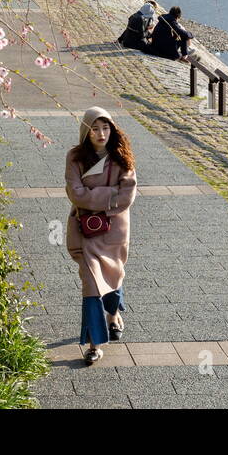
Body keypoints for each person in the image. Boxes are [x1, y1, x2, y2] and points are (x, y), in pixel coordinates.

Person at [65, 107, 138, 365]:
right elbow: (75, 192)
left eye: (105, 128)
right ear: (86, 131)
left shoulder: (121, 157)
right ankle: (95, 343)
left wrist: (93, 196)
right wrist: (110, 195)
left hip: (115, 229)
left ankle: (114, 313)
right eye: (95, 128)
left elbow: (126, 195)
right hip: (85, 228)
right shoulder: (75, 157)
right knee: (91, 283)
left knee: (113, 275)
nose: (101, 133)